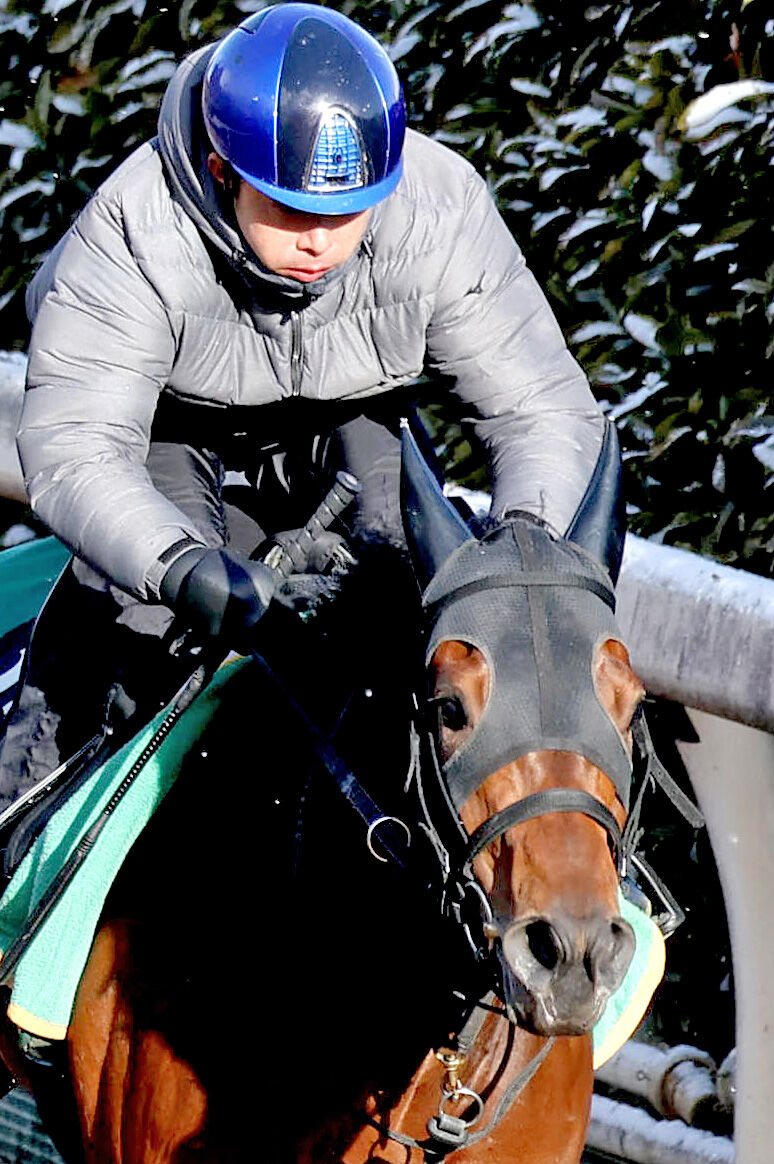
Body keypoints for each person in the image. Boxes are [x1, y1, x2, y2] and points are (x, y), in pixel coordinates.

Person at [0, 3, 617, 808]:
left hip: (354, 418)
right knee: (145, 636)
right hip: (170, 427)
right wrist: (179, 565)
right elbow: (76, 450)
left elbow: (542, 410)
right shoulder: (130, 231)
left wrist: (526, 544)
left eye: (348, 212)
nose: (321, 242)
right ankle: (29, 829)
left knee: (416, 601)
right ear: (223, 173)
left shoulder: (440, 207)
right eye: (292, 211)